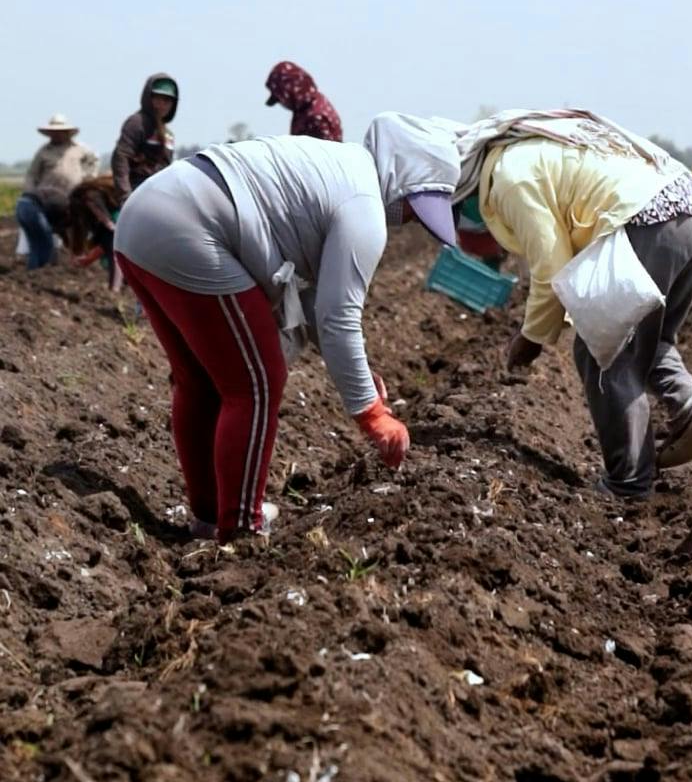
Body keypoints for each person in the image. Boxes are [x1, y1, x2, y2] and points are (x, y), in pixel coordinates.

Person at [113, 116, 460, 541]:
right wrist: (372, 415)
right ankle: (241, 527)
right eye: (416, 206)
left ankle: (209, 518)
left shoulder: (343, 165)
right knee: (257, 383)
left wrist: (362, 378)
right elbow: (338, 317)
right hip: (189, 227)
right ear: (403, 178)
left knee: (200, 381)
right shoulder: (364, 204)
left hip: (141, 219)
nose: (409, 218)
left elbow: (318, 305)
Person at [451, 109, 692, 501]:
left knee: (602, 350)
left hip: (646, 217)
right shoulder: (531, 151)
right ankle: (690, 404)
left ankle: (628, 483)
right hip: (691, 210)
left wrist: (531, 338)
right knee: (653, 339)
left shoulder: (509, 179)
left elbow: (550, 267)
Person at [17, 115, 99, 271]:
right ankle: (42, 266)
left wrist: (88, 179)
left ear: (67, 133)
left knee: (76, 231)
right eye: (53, 132)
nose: (56, 135)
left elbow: (93, 162)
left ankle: (75, 264)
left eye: (60, 132)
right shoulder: (43, 152)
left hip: (72, 199)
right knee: (44, 234)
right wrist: (31, 191)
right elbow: (32, 175)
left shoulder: (79, 149)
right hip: (46, 200)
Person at [113, 74, 179, 204]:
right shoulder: (137, 123)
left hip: (162, 192)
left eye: (167, 100)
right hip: (138, 190)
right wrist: (126, 195)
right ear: (148, 98)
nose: (162, 104)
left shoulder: (168, 135)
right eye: (157, 98)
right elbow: (121, 157)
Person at [265, 62, 343, 142]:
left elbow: (320, 152)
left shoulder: (316, 117)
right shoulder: (305, 108)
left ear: (290, 93)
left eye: (280, 99)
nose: (283, 105)